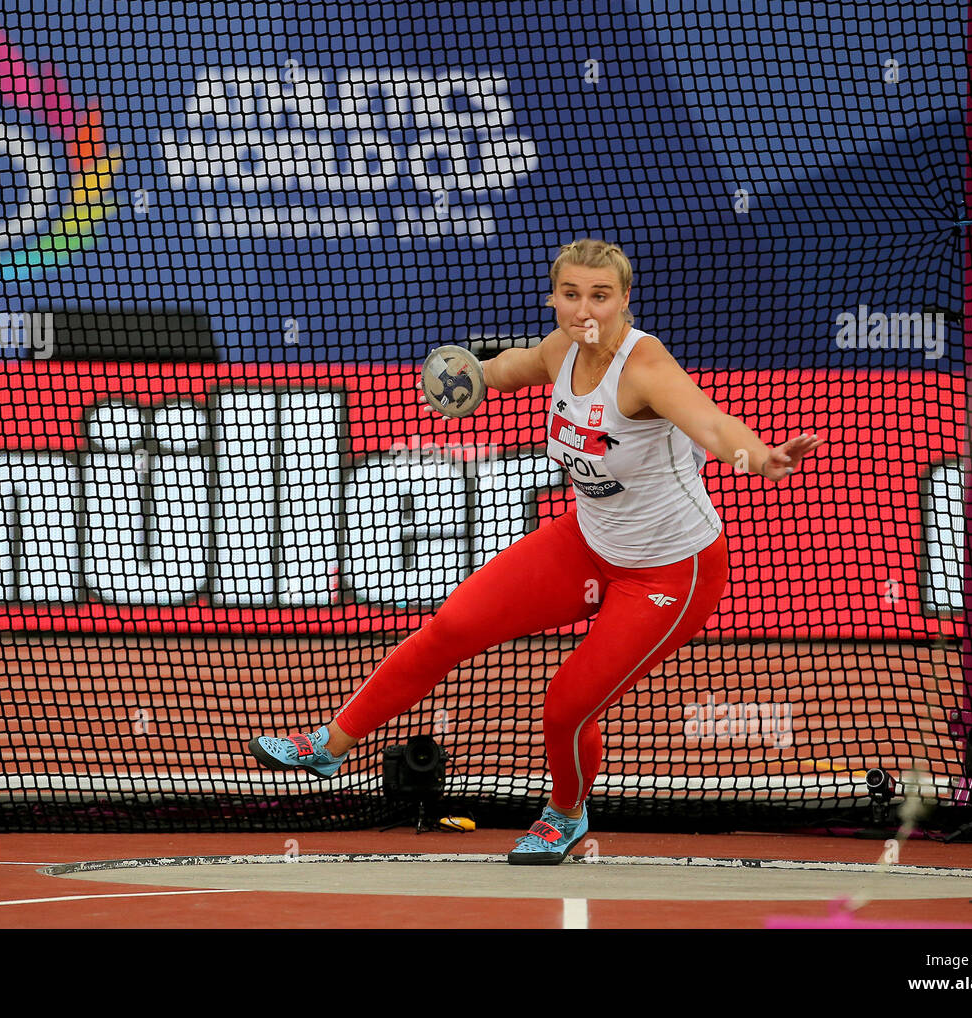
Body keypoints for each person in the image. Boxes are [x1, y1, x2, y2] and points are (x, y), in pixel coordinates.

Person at [249, 239, 823, 864]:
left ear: (625, 301)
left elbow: (711, 426)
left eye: (600, 297)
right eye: (571, 295)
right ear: (554, 298)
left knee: (567, 704)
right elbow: (506, 367)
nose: (586, 310)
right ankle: (329, 745)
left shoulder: (645, 366)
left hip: (671, 571)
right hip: (585, 542)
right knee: (452, 625)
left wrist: (761, 458)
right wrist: (467, 377)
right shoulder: (562, 350)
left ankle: (567, 813)